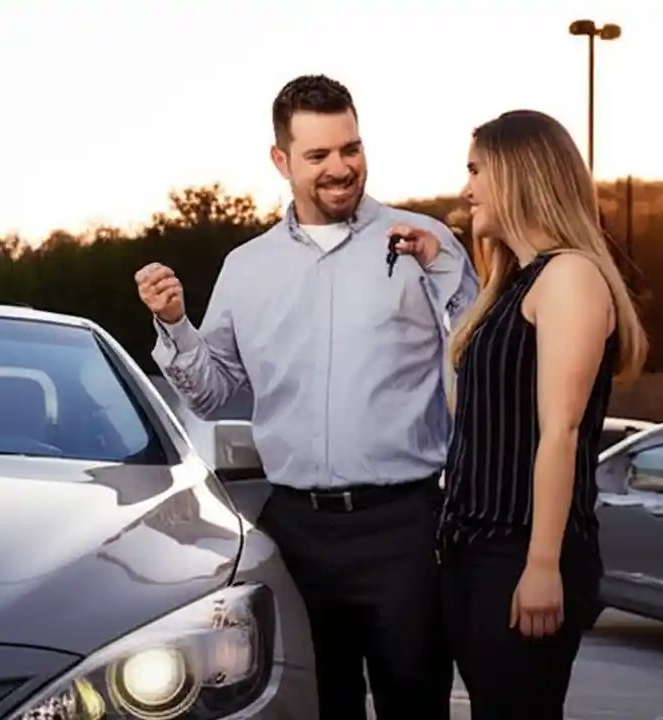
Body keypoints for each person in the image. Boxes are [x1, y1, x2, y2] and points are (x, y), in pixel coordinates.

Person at [133, 74, 479, 720]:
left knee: (416, 705)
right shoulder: (246, 268)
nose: (341, 168)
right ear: (281, 161)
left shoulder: (423, 244)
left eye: (350, 148)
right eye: (318, 156)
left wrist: (445, 271)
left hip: (404, 528)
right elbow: (214, 396)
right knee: (312, 708)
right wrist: (175, 325)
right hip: (294, 535)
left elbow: (478, 353)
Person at [425, 109, 649, 719]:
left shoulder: (570, 276)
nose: (466, 188)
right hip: (473, 549)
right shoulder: (513, 286)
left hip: (523, 553)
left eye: (477, 170)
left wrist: (543, 564)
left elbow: (561, 433)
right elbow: (472, 414)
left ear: (521, 175)